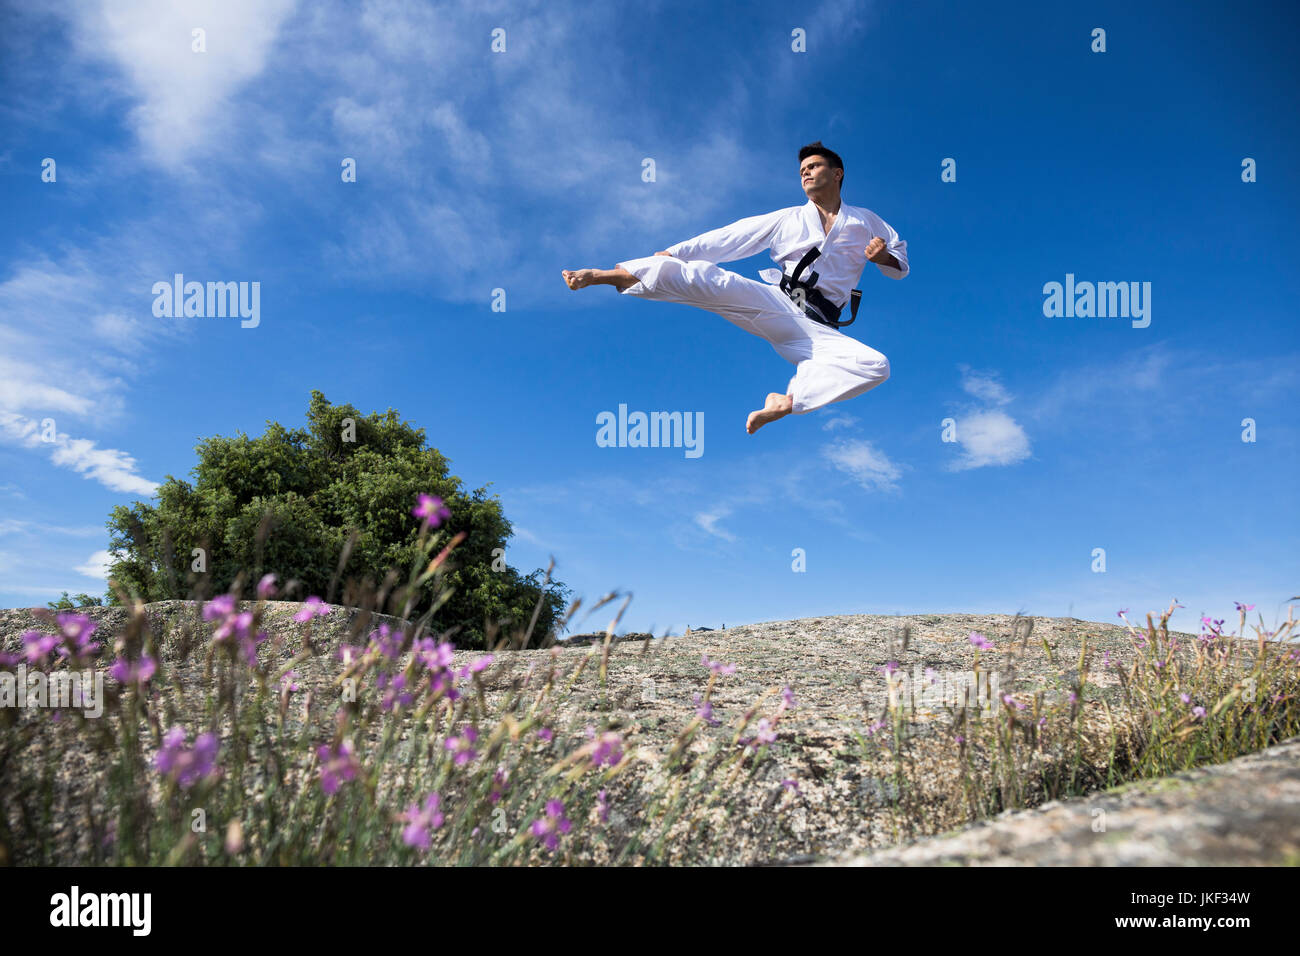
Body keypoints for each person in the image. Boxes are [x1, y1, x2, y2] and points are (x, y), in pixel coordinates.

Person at [562, 141, 909, 434]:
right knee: (708, 278)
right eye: (802, 168)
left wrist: (883, 258)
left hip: (820, 330)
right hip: (780, 305)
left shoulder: (865, 221)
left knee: (876, 365)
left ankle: (788, 401)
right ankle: (605, 275)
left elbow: (899, 264)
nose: (806, 172)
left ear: (837, 174)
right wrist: (677, 251)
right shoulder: (788, 218)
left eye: (815, 166)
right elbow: (732, 236)